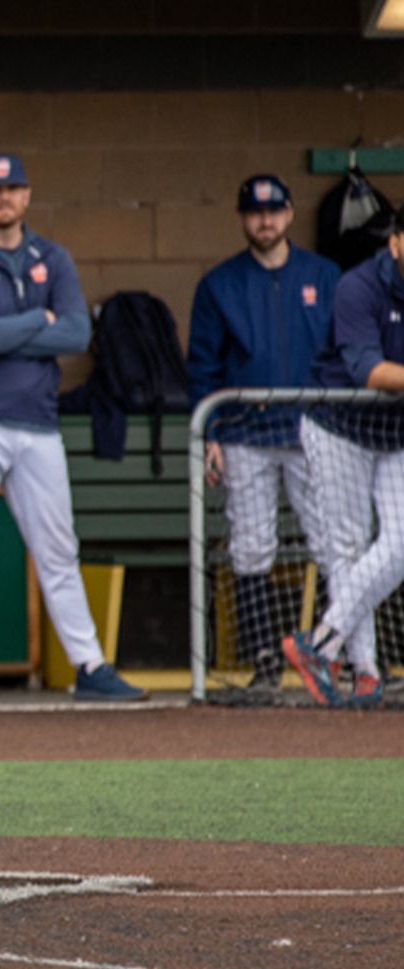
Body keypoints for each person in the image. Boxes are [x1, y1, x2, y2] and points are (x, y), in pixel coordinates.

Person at [0, 153, 147, 707]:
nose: (4, 198)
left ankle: (90, 666)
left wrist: (11, 333)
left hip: (39, 424)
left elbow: (74, 333)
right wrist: (35, 321)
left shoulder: (53, 257)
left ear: (27, 195)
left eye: (13, 188)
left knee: (57, 549)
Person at [187, 174, 340, 693]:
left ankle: (333, 652)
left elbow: (345, 354)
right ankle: (264, 663)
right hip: (244, 431)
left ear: (291, 213)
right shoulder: (219, 284)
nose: (265, 221)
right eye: (255, 213)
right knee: (251, 547)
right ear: (241, 218)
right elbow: (203, 368)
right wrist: (209, 431)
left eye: (273, 211)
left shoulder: (325, 275)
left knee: (331, 542)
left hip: (313, 430)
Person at [282, 214, 404, 708]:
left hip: (396, 432)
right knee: (348, 547)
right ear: (396, 242)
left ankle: (322, 643)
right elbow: (367, 370)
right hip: (340, 425)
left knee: (399, 545)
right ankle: (366, 672)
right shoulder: (360, 285)